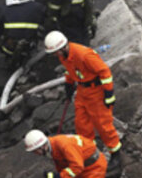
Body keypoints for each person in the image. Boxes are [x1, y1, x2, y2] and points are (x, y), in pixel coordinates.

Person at [44, 31, 122, 166]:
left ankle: (116, 154)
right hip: (82, 91)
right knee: (81, 125)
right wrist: (69, 84)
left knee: (104, 125)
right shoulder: (64, 55)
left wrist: (109, 94)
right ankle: (89, 152)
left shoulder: (84, 54)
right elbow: (70, 69)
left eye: (56, 52)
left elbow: (105, 72)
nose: (56, 55)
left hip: (96, 92)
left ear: (63, 47)